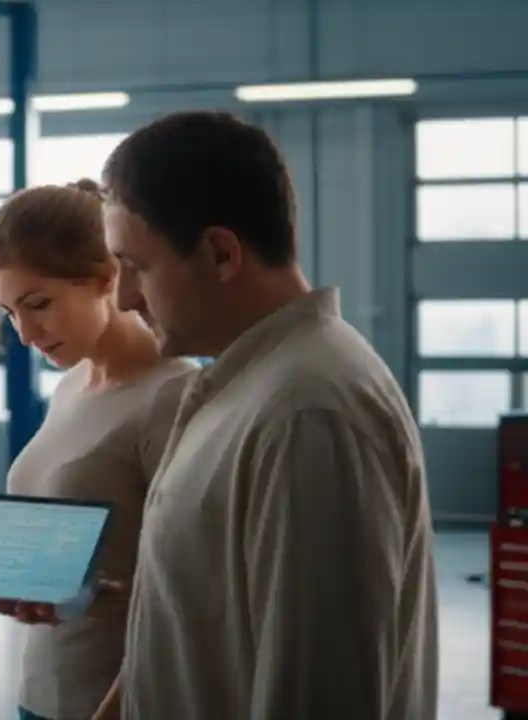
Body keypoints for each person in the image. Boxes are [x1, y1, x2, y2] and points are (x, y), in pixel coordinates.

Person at [90, 111, 437, 720]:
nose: (123, 299)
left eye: (138, 266)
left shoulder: (308, 411)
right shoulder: (244, 384)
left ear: (221, 253)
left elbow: (318, 692)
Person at [0, 180, 198, 720]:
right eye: (9, 312)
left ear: (108, 279)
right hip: (40, 691)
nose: (26, 334)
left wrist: (107, 595)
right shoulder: (72, 385)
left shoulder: (174, 396)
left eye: (39, 304)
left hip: (117, 701)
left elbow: (201, 583)